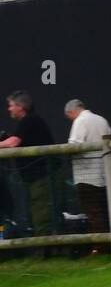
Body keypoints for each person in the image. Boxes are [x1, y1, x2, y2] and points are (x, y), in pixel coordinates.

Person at [0, 90, 57, 240]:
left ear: (21, 106)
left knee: (41, 213)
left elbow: (13, 142)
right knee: (37, 211)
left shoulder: (29, 121)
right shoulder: (29, 121)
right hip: (37, 177)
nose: (9, 109)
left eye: (11, 105)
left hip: (42, 177)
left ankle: (45, 248)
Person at [63, 100, 111, 253]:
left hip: (86, 176)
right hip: (105, 173)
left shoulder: (80, 121)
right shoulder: (102, 120)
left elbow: (74, 146)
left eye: (69, 116)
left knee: (93, 213)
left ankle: (100, 247)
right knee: (105, 211)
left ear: (72, 111)